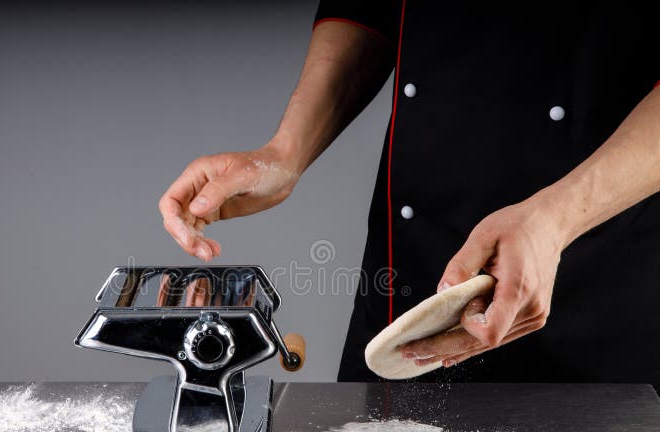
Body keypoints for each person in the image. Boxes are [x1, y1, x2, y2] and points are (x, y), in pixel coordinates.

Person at [158, 1, 660, 389]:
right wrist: (284, 153)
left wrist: (555, 219)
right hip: (410, 286)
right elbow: (366, 8)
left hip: (596, 275)